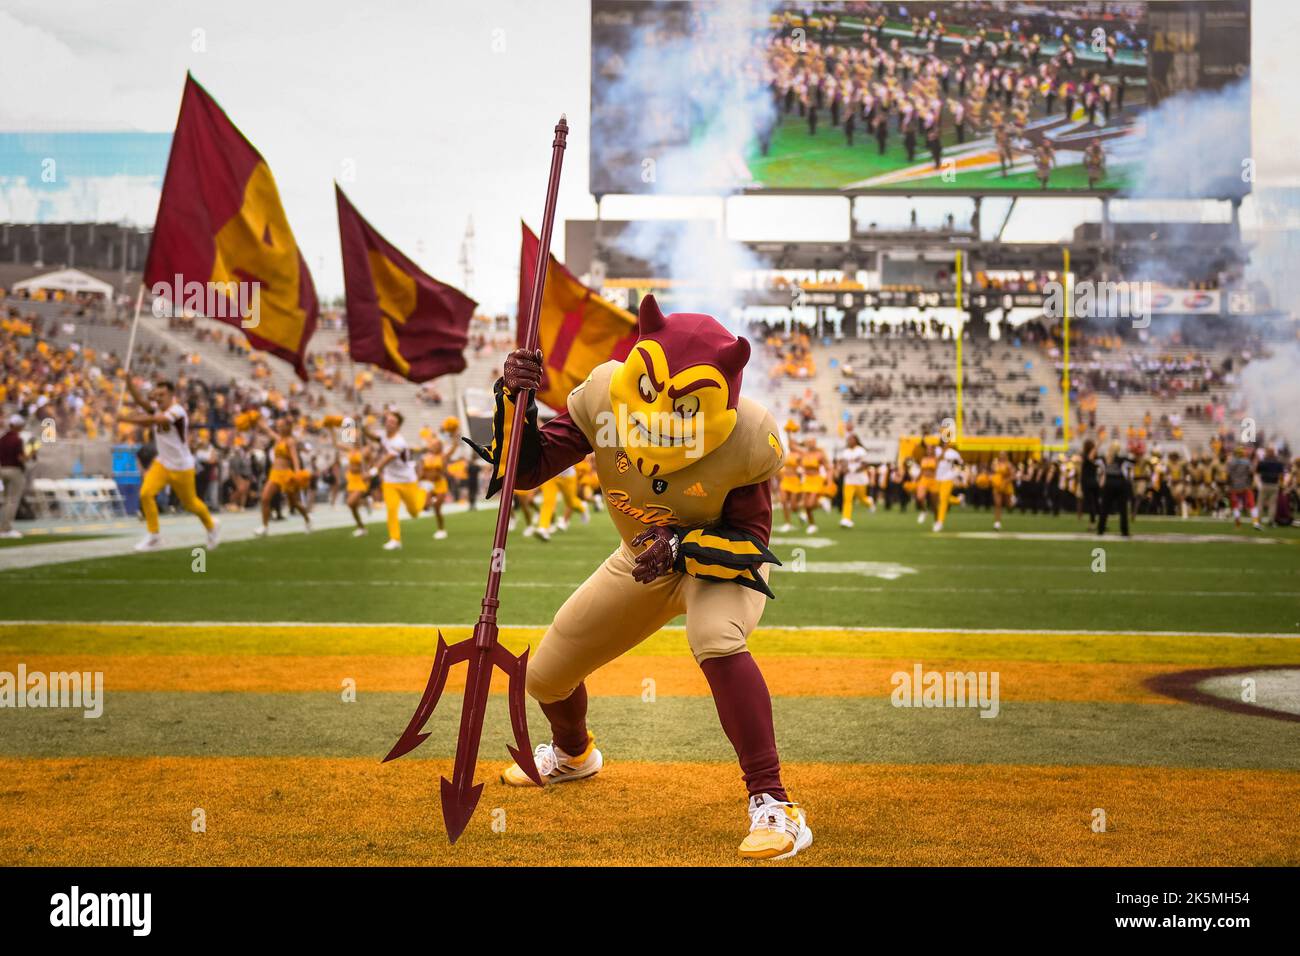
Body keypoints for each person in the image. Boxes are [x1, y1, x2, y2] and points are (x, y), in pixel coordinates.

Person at [471, 295, 811, 860]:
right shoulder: (606, 393)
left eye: (680, 409)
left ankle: (774, 803)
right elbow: (526, 469)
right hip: (639, 558)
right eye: (650, 395)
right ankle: (575, 754)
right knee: (547, 674)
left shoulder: (746, 437)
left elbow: (751, 545)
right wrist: (515, 399)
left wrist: (680, 547)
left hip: (710, 568)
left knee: (715, 637)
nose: (656, 419)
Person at [117, 378, 220, 552]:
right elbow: (140, 401)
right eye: (157, 395)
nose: (158, 398)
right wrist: (128, 383)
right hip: (163, 462)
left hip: (181, 466)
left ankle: (211, 526)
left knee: (191, 504)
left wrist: (126, 419)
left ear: (172, 395)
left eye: (162, 395)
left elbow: (156, 420)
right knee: (146, 493)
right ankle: (154, 536)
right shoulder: (158, 408)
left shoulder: (177, 411)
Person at [369, 410, 425, 550]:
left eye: (393, 421)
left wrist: (374, 470)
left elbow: (388, 457)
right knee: (391, 509)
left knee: (415, 512)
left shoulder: (399, 441)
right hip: (390, 480)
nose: (389, 423)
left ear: (398, 426)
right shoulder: (383, 436)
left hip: (407, 480)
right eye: (388, 420)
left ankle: (423, 492)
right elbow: (371, 435)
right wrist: (365, 422)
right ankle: (395, 539)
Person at [252, 415, 313, 537]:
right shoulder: (278, 438)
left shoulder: (290, 441)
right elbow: (266, 429)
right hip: (275, 474)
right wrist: (255, 418)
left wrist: (297, 474)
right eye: (278, 426)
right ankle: (265, 527)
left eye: (281, 426)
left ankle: (307, 519)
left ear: (287, 427)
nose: (278, 428)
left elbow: (295, 459)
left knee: (294, 503)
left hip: (286, 475)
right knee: (265, 498)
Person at [1096, 441, 1133, 537]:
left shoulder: (1104, 458)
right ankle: (1124, 531)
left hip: (1108, 483)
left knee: (1104, 508)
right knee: (1123, 510)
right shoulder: (1122, 459)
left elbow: (1097, 463)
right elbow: (1132, 463)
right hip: (1120, 483)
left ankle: (1100, 529)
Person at [0, 414, 27, 539]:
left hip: (2, 469)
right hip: (14, 470)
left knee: (5, 500)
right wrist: (31, 454)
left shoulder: (2, 439)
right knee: (13, 500)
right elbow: (21, 458)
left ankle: (3, 527)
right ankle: (6, 528)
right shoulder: (17, 439)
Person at [838, 433, 873, 528]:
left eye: (851, 439)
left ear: (856, 440)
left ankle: (870, 503)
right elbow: (843, 464)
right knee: (847, 499)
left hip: (860, 479)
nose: (849, 441)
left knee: (862, 498)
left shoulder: (861, 451)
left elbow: (865, 464)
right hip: (849, 480)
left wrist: (854, 470)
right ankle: (846, 519)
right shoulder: (845, 452)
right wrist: (844, 469)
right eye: (848, 440)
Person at [931, 438, 963, 532]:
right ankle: (957, 500)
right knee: (936, 498)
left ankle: (940, 522)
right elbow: (936, 461)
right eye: (943, 442)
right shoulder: (937, 450)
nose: (945, 443)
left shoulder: (954, 453)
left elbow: (961, 465)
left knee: (943, 499)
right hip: (937, 478)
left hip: (948, 478)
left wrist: (954, 475)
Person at [1227, 445, 1261, 530]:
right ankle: (1256, 523)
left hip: (1234, 487)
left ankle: (1238, 524)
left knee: (1235, 506)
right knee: (1252, 504)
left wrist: (1229, 484)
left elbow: (1228, 474)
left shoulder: (1231, 462)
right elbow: (1251, 472)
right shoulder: (1247, 461)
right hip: (1246, 486)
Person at [1257, 445, 1285, 527]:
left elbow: (1257, 471)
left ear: (1267, 453)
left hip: (1264, 484)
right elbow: (1281, 474)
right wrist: (1281, 483)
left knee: (1260, 503)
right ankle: (1271, 520)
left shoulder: (1263, 462)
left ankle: (1259, 519)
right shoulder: (1278, 462)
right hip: (1274, 484)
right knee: (1273, 504)